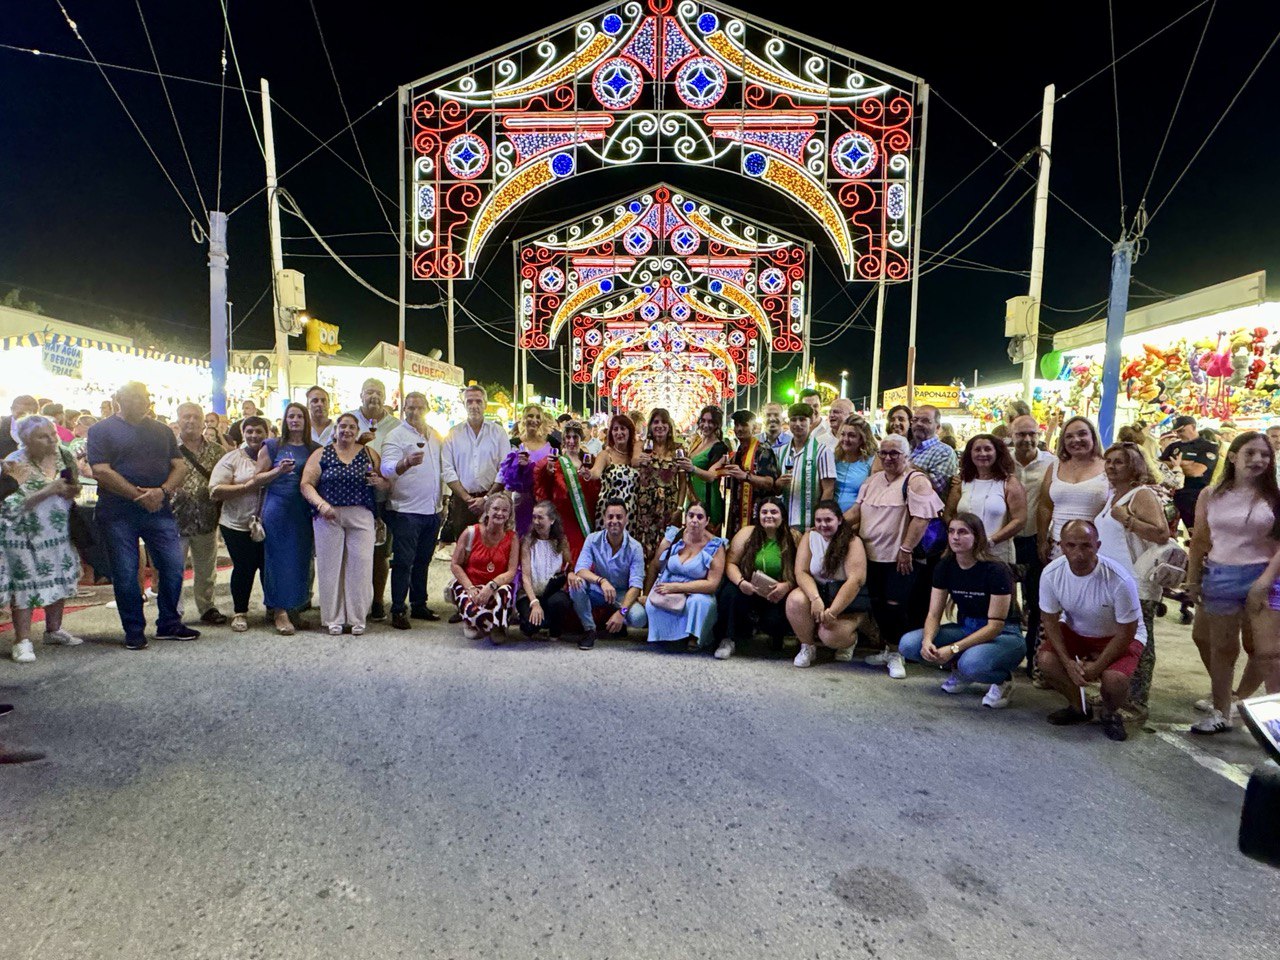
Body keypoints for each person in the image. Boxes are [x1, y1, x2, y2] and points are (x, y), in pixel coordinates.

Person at [86, 382, 199, 650]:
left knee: (172, 566)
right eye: (135, 397)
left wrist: (162, 491)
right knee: (126, 571)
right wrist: (138, 495)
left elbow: (180, 466)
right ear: (119, 400)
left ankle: (169, 622)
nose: (141, 401)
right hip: (117, 512)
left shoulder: (161, 431)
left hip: (159, 509)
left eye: (145, 397)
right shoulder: (100, 430)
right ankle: (134, 629)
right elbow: (100, 470)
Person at [1184, 431, 1280, 733]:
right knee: (1222, 648)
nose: (1258, 460)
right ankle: (1222, 711)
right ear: (1233, 456)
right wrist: (1193, 580)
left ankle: (1273, 721)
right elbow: (1199, 540)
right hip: (1220, 576)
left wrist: (1264, 581)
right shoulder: (1210, 495)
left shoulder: (1274, 497)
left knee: (1268, 653)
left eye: (1265, 454)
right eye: (1250, 453)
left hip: (1266, 576)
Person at [1036, 519, 1148, 742]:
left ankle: (1109, 713)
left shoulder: (1119, 579)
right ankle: (1078, 707)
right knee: (1047, 660)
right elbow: (1049, 620)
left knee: (1114, 680)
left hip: (1118, 635)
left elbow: (1127, 631)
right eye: (1071, 545)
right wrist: (1068, 662)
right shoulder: (1051, 574)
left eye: (1086, 546)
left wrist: (1096, 667)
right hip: (1077, 630)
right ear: (1061, 546)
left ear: (1098, 545)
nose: (1079, 553)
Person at [899, 513, 1025, 708]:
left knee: (971, 663)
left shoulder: (996, 570)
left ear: (977, 537)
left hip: (1004, 634)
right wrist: (927, 641)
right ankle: (962, 670)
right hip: (967, 627)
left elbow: (995, 625)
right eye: (951, 532)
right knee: (909, 645)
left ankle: (1003, 680)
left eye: (963, 532)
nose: (955, 537)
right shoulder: (945, 566)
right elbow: (934, 613)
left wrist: (954, 648)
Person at [847, 434, 943, 678]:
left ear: (907, 455)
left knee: (896, 605)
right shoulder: (873, 480)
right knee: (878, 604)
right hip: (871, 555)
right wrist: (830, 524)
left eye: (894, 453)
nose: (888, 458)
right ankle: (889, 649)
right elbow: (857, 511)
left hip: (900, 558)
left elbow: (922, 518)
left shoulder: (916, 480)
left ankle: (898, 653)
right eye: (884, 453)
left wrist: (906, 549)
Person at [1095, 441, 1170, 714]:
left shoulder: (1141, 495)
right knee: (1118, 640)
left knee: (1140, 642)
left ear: (1134, 466)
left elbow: (1161, 534)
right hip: (1112, 583)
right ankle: (1117, 695)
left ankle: (1137, 700)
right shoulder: (1113, 495)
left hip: (1136, 582)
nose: (1112, 466)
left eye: (1120, 461)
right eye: (1109, 461)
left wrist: (1127, 519)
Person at [3, 416, 84, 662]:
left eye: (53, 433)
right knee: (25, 584)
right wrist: (49, 490)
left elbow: (74, 485)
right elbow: (10, 504)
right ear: (27, 440)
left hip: (57, 530)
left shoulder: (64, 455)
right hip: (23, 533)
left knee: (58, 576)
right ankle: (23, 640)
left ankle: (54, 629)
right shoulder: (14, 464)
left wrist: (72, 490)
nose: (51, 440)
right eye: (43, 436)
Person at [299, 412, 388, 635]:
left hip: (361, 514)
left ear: (357, 432)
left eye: (351, 427)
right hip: (328, 515)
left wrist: (380, 482)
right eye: (343, 426)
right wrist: (321, 505)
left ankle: (357, 617)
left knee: (361, 566)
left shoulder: (368, 453)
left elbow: (386, 484)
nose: (347, 430)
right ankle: (333, 618)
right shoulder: (322, 453)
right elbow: (306, 484)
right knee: (330, 567)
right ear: (335, 430)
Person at [210, 416, 289, 632]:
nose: (254, 436)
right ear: (243, 433)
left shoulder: (276, 457)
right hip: (236, 524)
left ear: (267, 433)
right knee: (244, 568)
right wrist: (246, 487)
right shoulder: (233, 459)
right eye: (250, 431)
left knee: (269, 567)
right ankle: (240, 612)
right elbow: (215, 490)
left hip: (270, 524)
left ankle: (274, 609)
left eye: (259, 431)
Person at [379, 391, 444, 629]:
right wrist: (404, 463)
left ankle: (419, 603)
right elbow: (386, 469)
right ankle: (398, 609)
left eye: (419, 408)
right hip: (405, 510)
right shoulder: (395, 436)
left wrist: (443, 502)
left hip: (432, 510)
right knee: (403, 561)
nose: (414, 412)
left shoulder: (436, 436)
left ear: (427, 409)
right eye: (410, 408)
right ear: (403, 410)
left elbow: (441, 471)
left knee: (423, 560)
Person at [257, 402, 317, 634]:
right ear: (284, 420)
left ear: (305, 420)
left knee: (301, 559)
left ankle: (295, 608)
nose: (295, 420)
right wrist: (277, 471)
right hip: (278, 508)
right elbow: (257, 478)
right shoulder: (272, 446)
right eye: (291, 416)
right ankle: (279, 611)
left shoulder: (314, 448)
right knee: (277, 560)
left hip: (302, 509)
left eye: (299, 416)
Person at [786, 499, 869, 667]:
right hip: (818, 591)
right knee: (795, 599)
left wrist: (832, 612)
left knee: (829, 636)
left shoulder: (853, 541)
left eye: (828, 520)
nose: (823, 525)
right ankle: (807, 646)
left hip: (843, 598)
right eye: (818, 520)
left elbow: (856, 580)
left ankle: (857, 627)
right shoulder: (810, 537)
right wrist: (815, 599)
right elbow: (801, 572)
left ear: (839, 520)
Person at [345, 378, 400, 621]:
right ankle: (353, 599)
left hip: (381, 498)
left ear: (385, 397)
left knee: (380, 553)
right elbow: (333, 449)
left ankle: (377, 601)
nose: (374, 397)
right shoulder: (348, 420)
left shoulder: (395, 425)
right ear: (361, 395)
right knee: (352, 553)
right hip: (351, 497)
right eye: (369, 392)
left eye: (379, 392)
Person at [642, 501, 727, 652]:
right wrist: (647, 594)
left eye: (700, 517)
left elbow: (712, 584)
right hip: (666, 585)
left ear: (707, 521)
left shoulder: (716, 546)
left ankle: (694, 638)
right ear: (686, 517)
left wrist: (676, 588)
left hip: (698, 591)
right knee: (650, 603)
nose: (694, 520)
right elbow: (655, 565)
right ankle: (664, 636)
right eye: (691, 515)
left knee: (699, 603)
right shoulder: (672, 536)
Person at [1160, 415, 1221, 623]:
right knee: (1166, 545)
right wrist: (1183, 465)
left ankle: (1196, 589)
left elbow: (1198, 471)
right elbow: (1162, 468)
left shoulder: (1208, 446)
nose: (1178, 433)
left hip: (1197, 502)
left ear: (1192, 427)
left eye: (1181, 429)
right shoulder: (1173, 447)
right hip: (1171, 501)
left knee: (1200, 546)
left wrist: (1178, 466)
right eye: (1176, 430)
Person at [718, 497, 796, 659]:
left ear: (782, 516)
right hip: (748, 588)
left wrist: (787, 586)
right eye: (764, 512)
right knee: (729, 592)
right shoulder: (747, 533)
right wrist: (741, 582)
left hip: (777, 593)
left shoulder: (794, 537)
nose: (769, 516)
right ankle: (728, 639)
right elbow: (730, 563)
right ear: (758, 516)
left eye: (774, 512)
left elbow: (802, 570)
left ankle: (776, 636)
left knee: (774, 621)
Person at [172, 403, 227, 627]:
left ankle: (207, 607)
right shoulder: (168, 450)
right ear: (178, 420)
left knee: (206, 568)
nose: (191, 421)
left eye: (196, 417)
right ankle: (173, 611)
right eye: (186, 417)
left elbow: (225, 479)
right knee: (173, 568)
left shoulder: (216, 451)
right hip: (176, 518)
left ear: (204, 421)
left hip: (206, 517)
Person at [570, 498, 648, 649]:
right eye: (610, 517)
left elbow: (636, 586)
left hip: (621, 594)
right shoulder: (592, 540)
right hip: (599, 590)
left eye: (619, 517)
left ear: (626, 519)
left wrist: (622, 612)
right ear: (604, 518)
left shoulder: (635, 547)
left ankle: (618, 621)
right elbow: (580, 569)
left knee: (639, 618)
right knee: (577, 584)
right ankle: (590, 629)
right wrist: (601, 581)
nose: (614, 521)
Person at [1010, 415, 1056, 667]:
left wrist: (1044, 539)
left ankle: (1034, 660)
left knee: (1038, 603)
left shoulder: (1051, 463)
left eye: (1032, 434)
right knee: (1003, 601)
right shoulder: (1003, 461)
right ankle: (1005, 654)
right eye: (1021, 434)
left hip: (1037, 540)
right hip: (1006, 540)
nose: (1027, 439)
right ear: (1011, 435)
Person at [447, 491, 519, 642]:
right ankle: (474, 622)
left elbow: (511, 572)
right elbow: (455, 565)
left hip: (496, 585)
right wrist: (470, 588)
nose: (500, 513)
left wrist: (491, 586)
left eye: (505, 510)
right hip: (471, 583)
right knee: (476, 614)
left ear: (509, 515)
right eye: (496, 509)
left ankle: (497, 627)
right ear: (487, 510)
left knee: (504, 593)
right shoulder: (470, 532)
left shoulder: (512, 538)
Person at [441, 384, 507, 547]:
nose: (474, 406)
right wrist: (468, 499)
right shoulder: (453, 433)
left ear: (485, 404)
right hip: (463, 503)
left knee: (492, 549)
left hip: (493, 501)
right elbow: (447, 470)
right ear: (464, 405)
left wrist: (486, 499)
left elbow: (505, 468)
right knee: (464, 549)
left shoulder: (498, 432)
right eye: (469, 401)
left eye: (478, 401)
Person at [945, 434, 1026, 565]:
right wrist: (960, 536)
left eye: (988, 449)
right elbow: (948, 514)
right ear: (970, 454)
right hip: (965, 554)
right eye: (977, 450)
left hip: (998, 554)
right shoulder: (962, 483)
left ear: (997, 453)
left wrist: (991, 541)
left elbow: (1020, 520)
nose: (982, 453)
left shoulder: (1009, 483)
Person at [1038, 416, 1108, 563]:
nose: (1076, 440)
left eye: (1082, 434)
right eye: (1069, 436)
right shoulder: (1055, 466)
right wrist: (1042, 540)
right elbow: (1045, 506)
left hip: (1096, 549)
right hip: (1057, 548)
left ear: (1093, 436)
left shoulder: (1109, 467)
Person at [534, 419, 599, 562]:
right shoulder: (556, 463)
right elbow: (544, 491)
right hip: (565, 521)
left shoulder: (590, 461)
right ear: (563, 440)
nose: (571, 441)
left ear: (581, 439)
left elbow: (597, 488)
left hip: (587, 519)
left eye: (575, 437)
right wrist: (548, 473)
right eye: (568, 437)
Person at [632, 408, 687, 557]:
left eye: (664, 422)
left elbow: (683, 483)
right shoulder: (642, 446)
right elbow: (633, 461)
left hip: (669, 505)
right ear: (650, 426)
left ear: (669, 426)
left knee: (667, 548)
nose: (660, 425)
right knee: (645, 547)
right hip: (645, 505)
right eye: (656, 422)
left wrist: (680, 508)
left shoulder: (678, 449)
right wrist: (640, 460)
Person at [516, 500, 574, 639]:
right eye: (534, 517)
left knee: (560, 602)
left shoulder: (561, 540)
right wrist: (534, 602)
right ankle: (531, 624)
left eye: (540, 518)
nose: (536, 521)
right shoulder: (527, 542)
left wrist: (571, 573)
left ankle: (555, 631)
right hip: (530, 594)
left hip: (551, 592)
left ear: (552, 520)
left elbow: (569, 564)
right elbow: (526, 577)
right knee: (532, 625)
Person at [499, 403, 558, 538]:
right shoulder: (514, 443)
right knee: (522, 538)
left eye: (538, 417)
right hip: (522, 501)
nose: (534, 420)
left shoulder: (552, 443)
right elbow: (506, 477)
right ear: (524, 419)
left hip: (545, 501)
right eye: (530, 416)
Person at [721, 409, 781, 541]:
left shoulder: (763, 450)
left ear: (754, 427)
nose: (739, 429)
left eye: (744, 425)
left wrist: (746, 476)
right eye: (736, 425)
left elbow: (770, 482)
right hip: (737, 515)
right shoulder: (737, 453)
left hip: (756, 514)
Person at [778, 402, 835, 532]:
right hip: (784, 523)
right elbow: (776, 488)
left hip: (810, 525)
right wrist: (778, 483)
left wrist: (820, 520)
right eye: (793, 420)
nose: (797, 424)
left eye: (802, 419)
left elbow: (828, 490)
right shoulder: (781, 452)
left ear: (811, 421)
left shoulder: (822, 451)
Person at [680, 405, 730, 532]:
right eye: (703, 420)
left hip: (708, 500)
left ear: (717, 425)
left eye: (711, 422)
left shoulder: (719, 447)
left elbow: (712, 476)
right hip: (691, 497)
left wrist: (692, 468)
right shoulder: (697, 442)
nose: (706, 425)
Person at [590, 414, 640, 524]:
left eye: (623, 428)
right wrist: (588, 474)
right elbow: (595, 472)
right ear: (611, 433)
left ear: (630, 432)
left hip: (631, 513)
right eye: (615, 429)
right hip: (610, 515)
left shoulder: (636, 455)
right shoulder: (605, 455)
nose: (619, 433)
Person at [908, 405, 958, 499]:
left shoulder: (945, 452)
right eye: (915, 420)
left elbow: (935, 487)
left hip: (923, 511)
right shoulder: (907, 447)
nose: (918, 423)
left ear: (938, 427)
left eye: (925, 421)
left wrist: (903, 465)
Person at [833, 415, 875, 513]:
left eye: (851, 435)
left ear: (862, 439)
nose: (846, 439)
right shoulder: (834, 458)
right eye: (843, 434)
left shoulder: (870, 460)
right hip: (832, 517)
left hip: (857, 517)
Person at [0, 395, 39, 459]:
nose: (24, 417)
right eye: (20, 413)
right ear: (11, 410)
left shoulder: (44, 428)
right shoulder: (1, 425)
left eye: (29, 414)